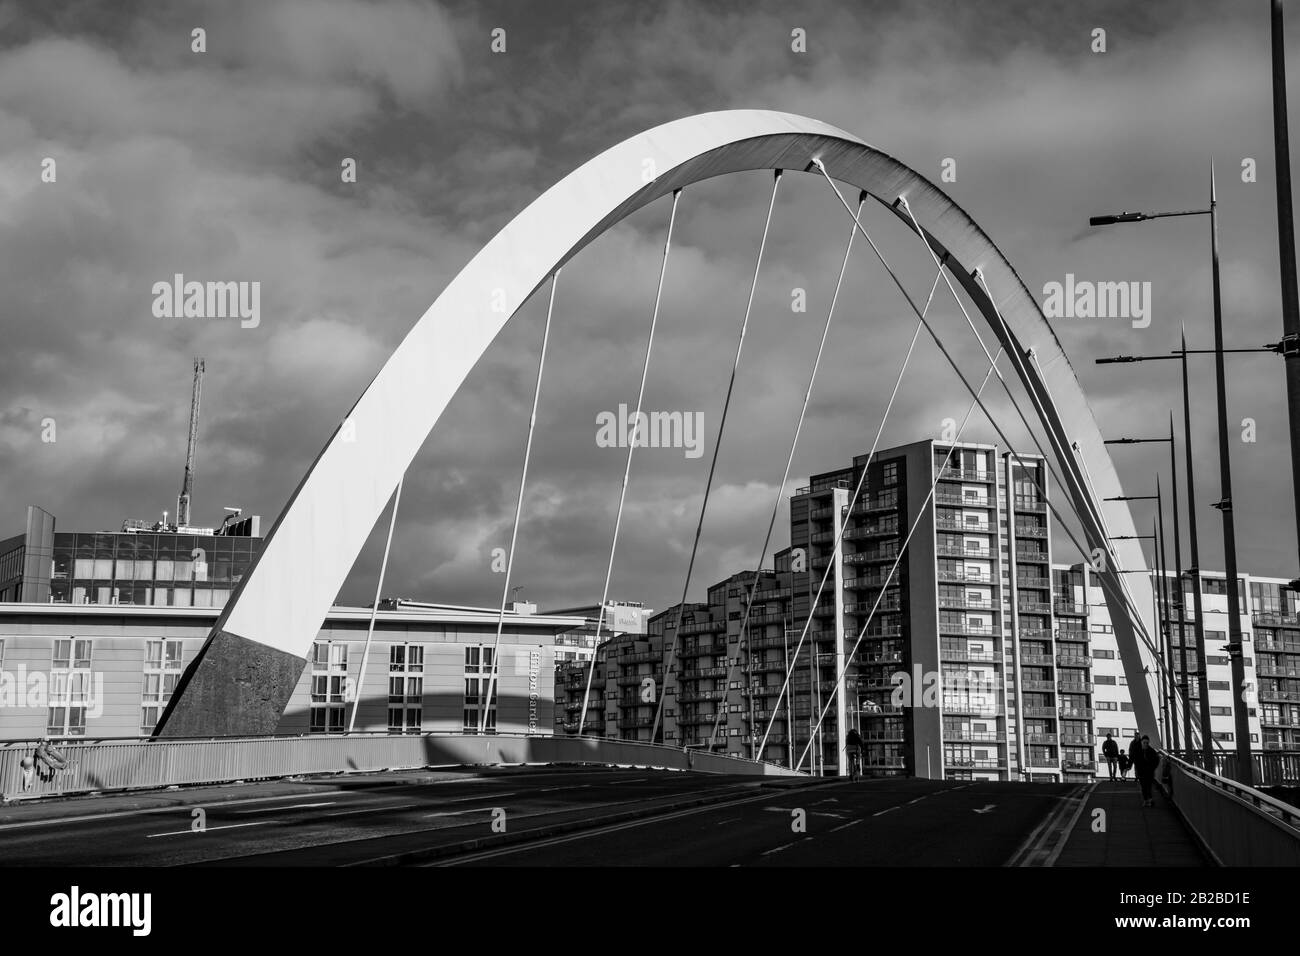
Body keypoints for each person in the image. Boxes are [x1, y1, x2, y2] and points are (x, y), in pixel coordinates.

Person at [1133, 734, 1162, 807]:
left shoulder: (1151, 751)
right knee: (1144, 786)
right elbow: (1135, 761)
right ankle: (1147, 800)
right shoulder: (1138, 750)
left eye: (1147, 743)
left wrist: (1152, 768)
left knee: (1148, 786)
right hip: (1142, 772)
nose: (1146, 744)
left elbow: (1156, 761)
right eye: (1144, 743)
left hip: (1149, 772)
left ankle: (1148, 800)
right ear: (1141, 742)